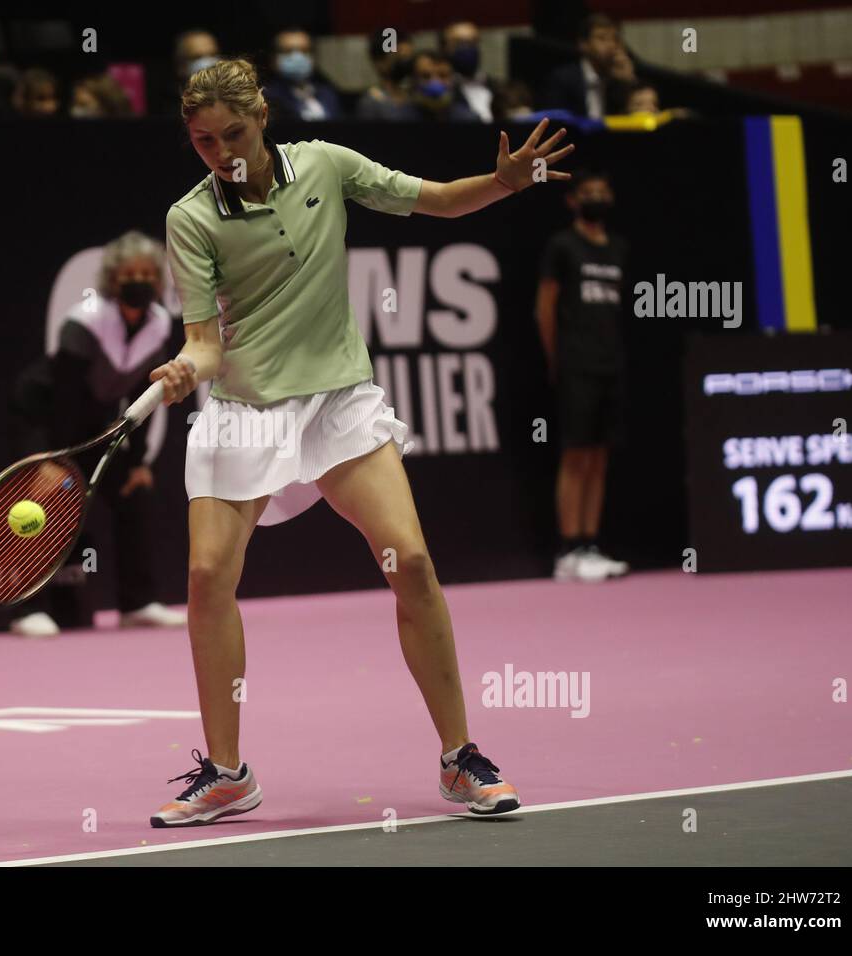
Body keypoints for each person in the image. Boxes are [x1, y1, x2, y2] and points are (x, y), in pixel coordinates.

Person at [150, 57, 574, 827]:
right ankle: (226, 773)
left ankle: (460, 759)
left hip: (339, 403)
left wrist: (506, 181)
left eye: (234, 134)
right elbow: (207, 343)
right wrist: (187, 367)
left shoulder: (327, 165)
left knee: (409, 559)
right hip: (243, 410)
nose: (222, 153)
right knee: (209, 576)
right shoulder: (192, 218)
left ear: (263, 119)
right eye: (205, 142)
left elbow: (438, 201)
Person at [11, 231, 188, 637]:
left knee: (132, 490)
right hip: (41, 417)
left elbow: (144, 394)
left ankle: (137, 603)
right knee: (42, 502)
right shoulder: (85, 322)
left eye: (148, 273)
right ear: (113, 279)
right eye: (130, 273)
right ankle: (27, 609)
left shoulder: (158, 325)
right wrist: (54, 460)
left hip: (92, 423)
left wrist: (139, 460)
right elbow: (64, 401)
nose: (140, 280)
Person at [535, 170, 631, 583]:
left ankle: (591, 543)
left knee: (600, 454)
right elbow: (545, 307)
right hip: (576, 364)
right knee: (575, 454)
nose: (597, 198)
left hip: (611, 362)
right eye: (588, 193)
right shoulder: (562, 247)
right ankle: (569, 549)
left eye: (603, 191)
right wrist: (557, 359)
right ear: (572, 201)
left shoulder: (619, 248)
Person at [538, 13, 621, 120]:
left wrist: (627, 83)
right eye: (602, 38)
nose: (611, 45)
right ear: (583, 44)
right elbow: (553, 121)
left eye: (614, 39)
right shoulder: (562, 79)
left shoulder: (619, 79)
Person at [262, 27, 343, 123]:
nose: (297, 57)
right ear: (273, 59)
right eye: (287, 51)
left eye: (304, 51)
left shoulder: (328, 93)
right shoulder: (268, 97)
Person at [355, 26, 415, 120]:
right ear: (379, 62)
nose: (406, 64)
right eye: (399, 57)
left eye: (408, 58)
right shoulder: (371, 102)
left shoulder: (415, 97)